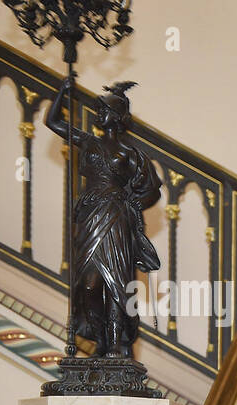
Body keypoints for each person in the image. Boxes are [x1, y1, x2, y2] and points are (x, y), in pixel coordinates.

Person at [45, 76, 162, 358]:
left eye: (105, 109)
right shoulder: (87, 142)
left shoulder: (132, 154)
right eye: (100, 110)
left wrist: (133, 202)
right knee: (88, 283)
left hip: (117, 218)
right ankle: (98, 335)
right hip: (90, 217)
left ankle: (111, 346)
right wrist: (63, 91)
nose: (100, 113)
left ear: (119, 117)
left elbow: (153, 191)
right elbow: (53, 123)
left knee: (116, 283)